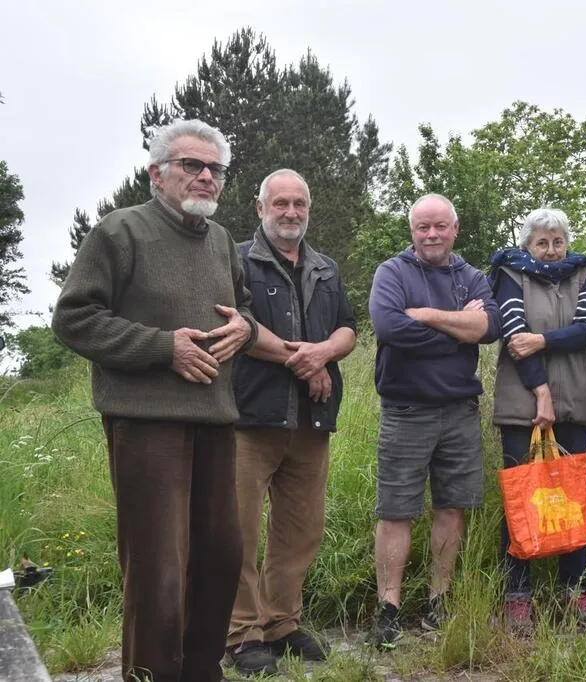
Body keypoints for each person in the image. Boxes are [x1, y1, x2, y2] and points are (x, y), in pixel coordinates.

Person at [51, 119, 256, 682]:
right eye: (193, 165)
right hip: (146, 426)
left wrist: (248, 330)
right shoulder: (120, 233)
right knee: (158, 572)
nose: (207, 177)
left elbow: (242, 314)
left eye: (216, 169)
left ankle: (201, 674)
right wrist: (162, 347)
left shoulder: (220, 241)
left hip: (215, 421)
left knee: (219, 562)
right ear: (157, 174)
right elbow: (73, 318)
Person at [223, 169, 357, 675]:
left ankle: (281, 623)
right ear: (260, 209)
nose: (291, 212)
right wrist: (305, 362)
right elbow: (236, 325)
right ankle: (240, 633)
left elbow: (347, 328)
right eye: (280, 203)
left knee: (300, 530)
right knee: (238, 530)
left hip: (311, 419)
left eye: (299, 203)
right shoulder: (236, 259)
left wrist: (323, 352)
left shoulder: (325, 267)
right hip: (249, 417)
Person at [366, 193, 500, 649]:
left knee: (452, 507)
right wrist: (459, 327)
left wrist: (425, 316)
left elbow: (490, 330)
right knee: (396, 509)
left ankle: (439, 600)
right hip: (405, 410)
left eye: (440, 226)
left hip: (460, 410)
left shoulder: (472, 277)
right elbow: (389, 329)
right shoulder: (392, 272)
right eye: (423, 227)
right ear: (412, 231)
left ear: (454, 229)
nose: (432, 234)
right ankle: (389, 608)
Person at [488, 208, 586, 634]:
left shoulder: (582, 272)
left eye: (558, 242)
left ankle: (576, 591)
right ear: (527, 245)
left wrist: (543, 339)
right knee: (522, 500)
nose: (551, 251)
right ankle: (518, 597)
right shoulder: (510, 274)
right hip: (523, 405)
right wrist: (541, 391)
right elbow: (515, 339)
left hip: (576, 399)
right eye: (542, 243)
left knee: (573, 497)